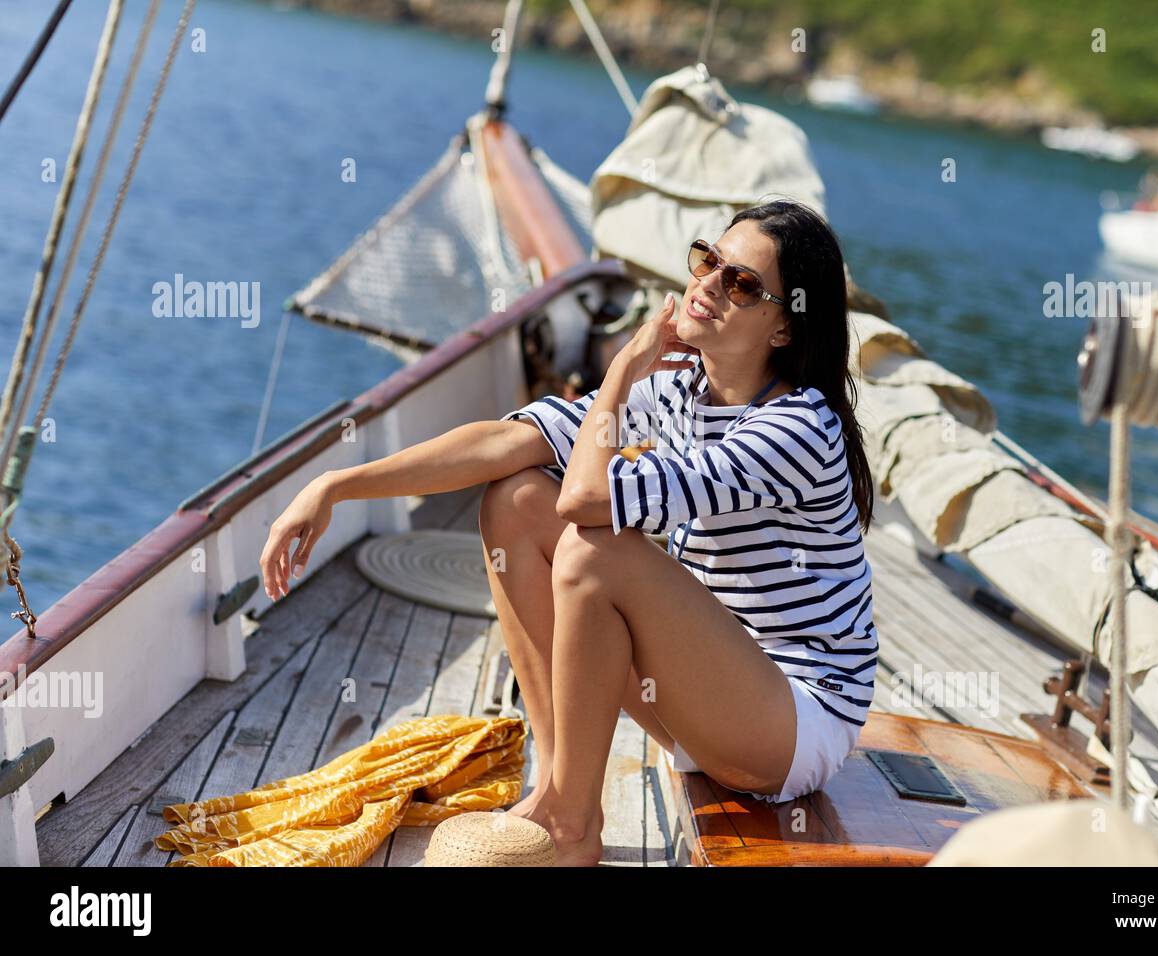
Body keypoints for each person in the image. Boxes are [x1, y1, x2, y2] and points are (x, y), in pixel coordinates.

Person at [259, 199, 878, 866]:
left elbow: (586, 498)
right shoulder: (683, 385)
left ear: (784, 329)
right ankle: (556, 784)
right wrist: (337, 486)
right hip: (707, 698)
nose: (707, 285)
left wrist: (617, 374)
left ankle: (573, 826)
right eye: (709, 261)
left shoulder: (795, 429)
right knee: (517, 499)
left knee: (590, 541)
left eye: (741, 283)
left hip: (789, 727)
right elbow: (507, 442)